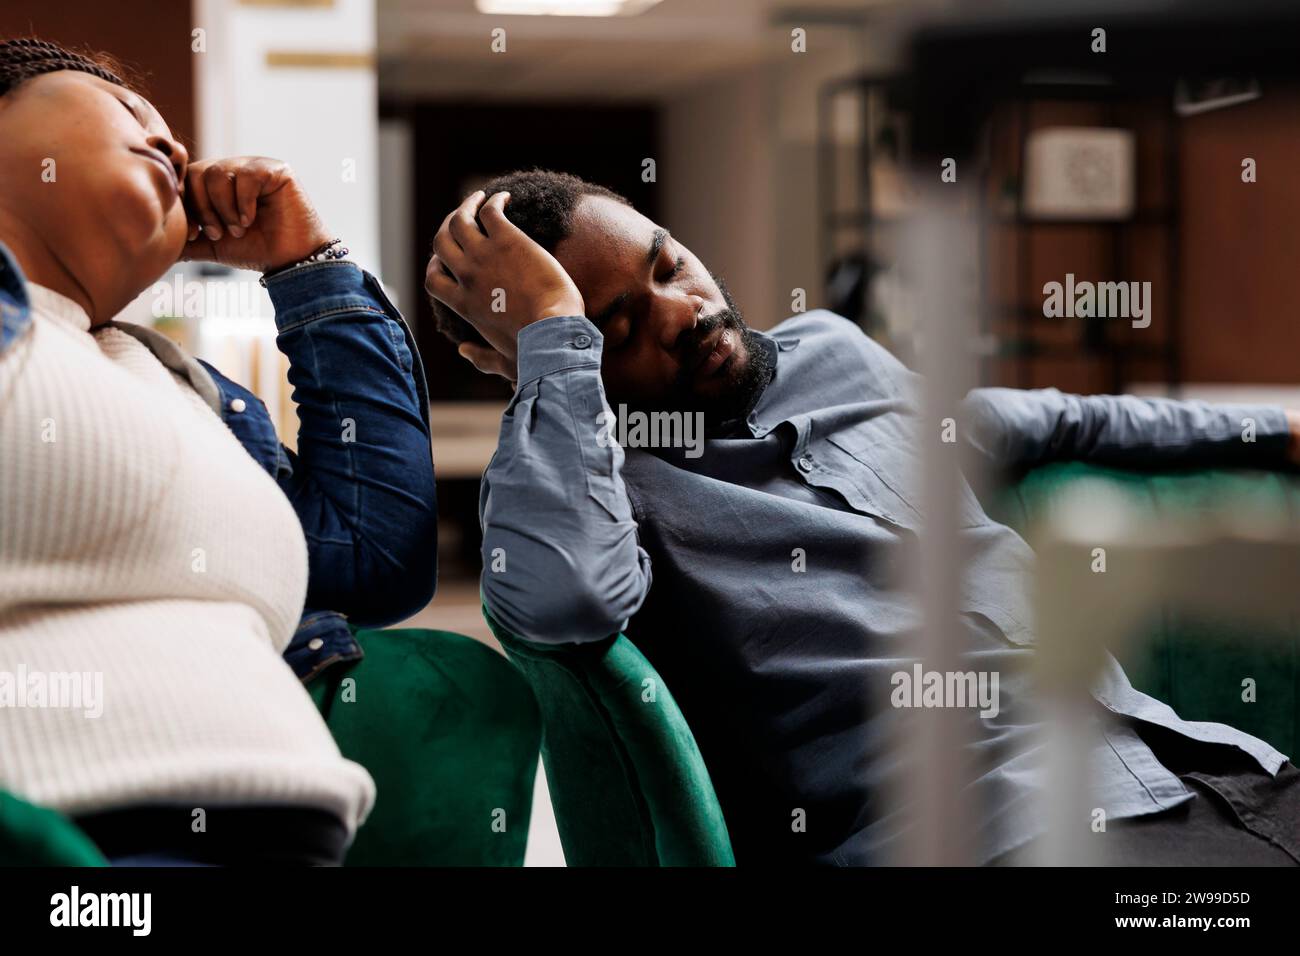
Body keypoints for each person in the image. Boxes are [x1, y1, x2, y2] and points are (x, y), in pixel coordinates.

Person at [427, 169, 1300, 866]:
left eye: (669, 264)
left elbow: (1043, 418)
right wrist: (549, 335)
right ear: (511, 356)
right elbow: (567, 605)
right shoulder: (591, 479)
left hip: (1197, 771)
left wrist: (1275, 430)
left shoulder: (833, 351)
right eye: (614, 328)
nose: (688, 312)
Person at [0, 38, 437, 865]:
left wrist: (308, 266)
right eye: (129, 111)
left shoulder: (181, 390)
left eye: (176, 136)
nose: (173, 146)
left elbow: (379, 554)